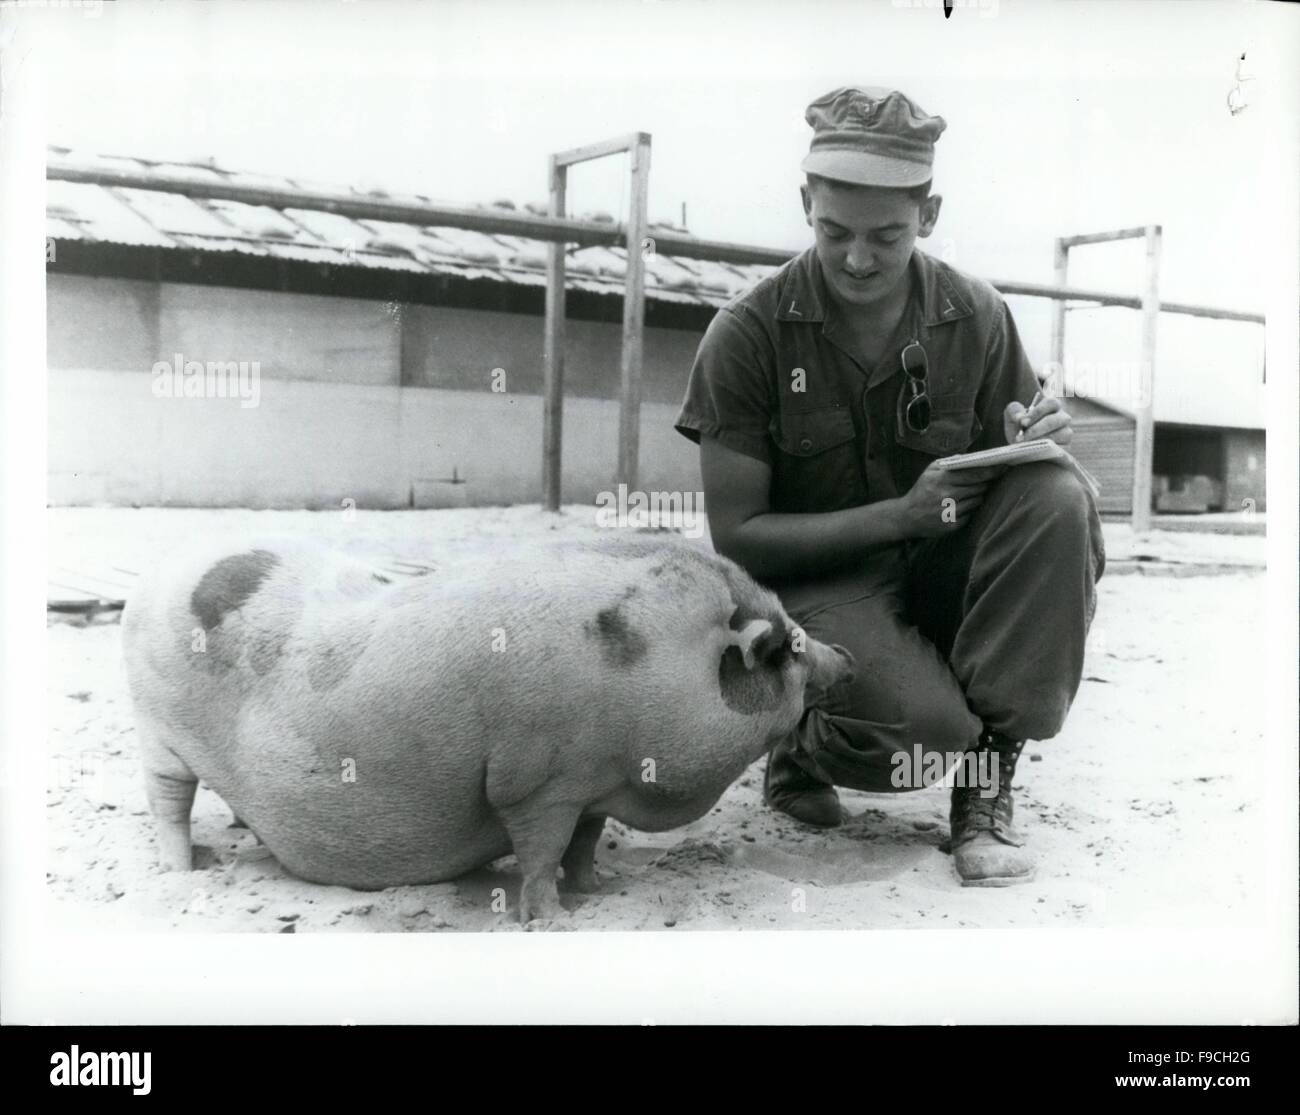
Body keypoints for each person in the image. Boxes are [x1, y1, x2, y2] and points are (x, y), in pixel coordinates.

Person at [673, 86, 1105, 886]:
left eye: (888, 234)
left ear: (929, 214)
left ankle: (986, 786)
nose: (858, 258)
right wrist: (901, 514)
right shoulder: (747, 334)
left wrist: (1036, 438)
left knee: (1058, 495)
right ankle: (797, 735)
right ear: (806, 202)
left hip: (941, 566)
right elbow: (737, 537)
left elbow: (1017, 478)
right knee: (919, 736)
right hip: (817, 589)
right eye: (834, 231)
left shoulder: (976, 315)